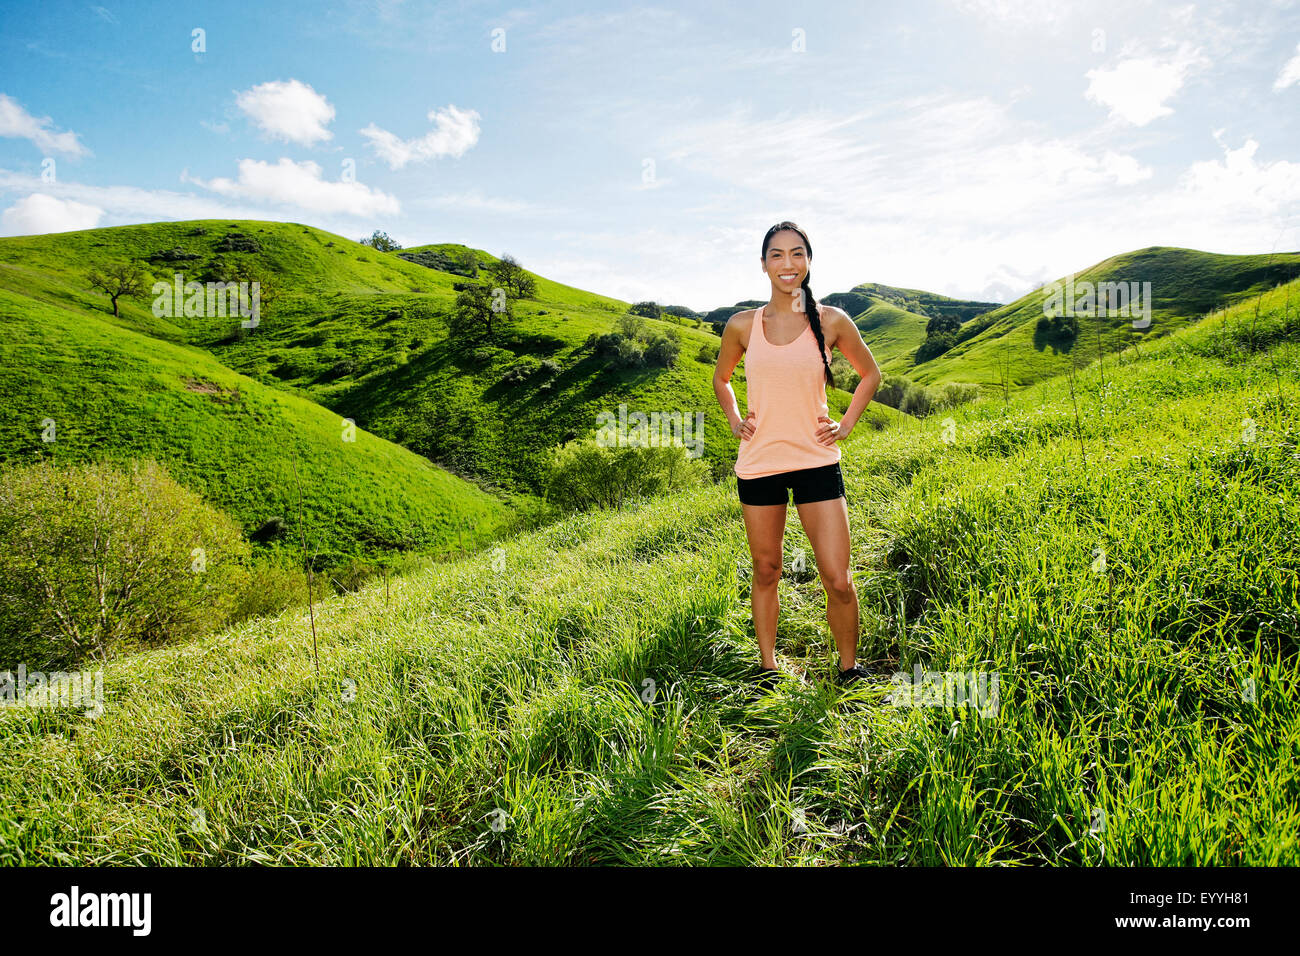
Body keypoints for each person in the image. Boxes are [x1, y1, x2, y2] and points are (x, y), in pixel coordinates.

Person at [713, 221, 882, 688]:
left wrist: (845, 424)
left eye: (797, 254)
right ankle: (768, 669)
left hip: (816, 462)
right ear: (764, 263)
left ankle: (849, 669)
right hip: (760, 464)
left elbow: (870, 375)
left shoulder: (831, 321)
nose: (787, 264)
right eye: (777, 255)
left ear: (809, 261)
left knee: (838, 577)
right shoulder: (744, 325)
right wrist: (733, 419)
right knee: (767, 570)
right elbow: (721, 379)